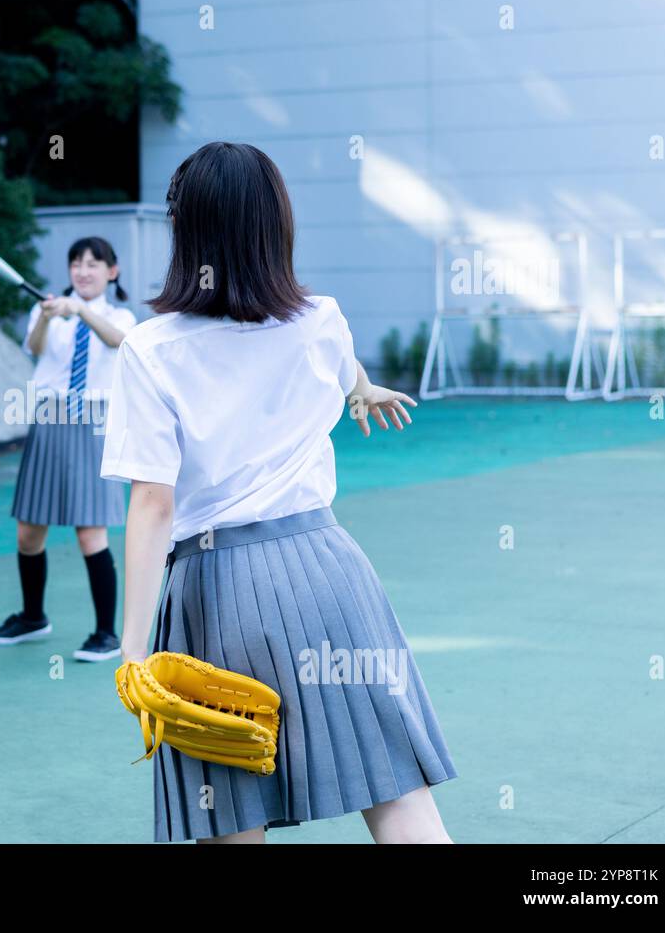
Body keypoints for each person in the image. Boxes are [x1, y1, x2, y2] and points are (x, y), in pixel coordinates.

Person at [101, 142, 457, 843]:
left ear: (186, 229)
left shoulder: (151, 348)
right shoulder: (321, 318)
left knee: (230, 812)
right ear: (276, 225)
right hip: (333, 572)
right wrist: (361, 386)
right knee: (396, 796)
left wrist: (131, 647)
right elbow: (328, 347)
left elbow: (153, 503)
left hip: (217, 587)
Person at [0, 238, 137, 661]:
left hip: (93, 423)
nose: (83, 271)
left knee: (91, 532)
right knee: (29, 530)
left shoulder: (119, 315)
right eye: (76, 263)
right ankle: (33, 617)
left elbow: (119, 342)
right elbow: (34, 349)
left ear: (112, 271)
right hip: (49, 420)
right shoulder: (48, 310)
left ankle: (106, 633)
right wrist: (49, 317)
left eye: (93, 264)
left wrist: (81, 311)